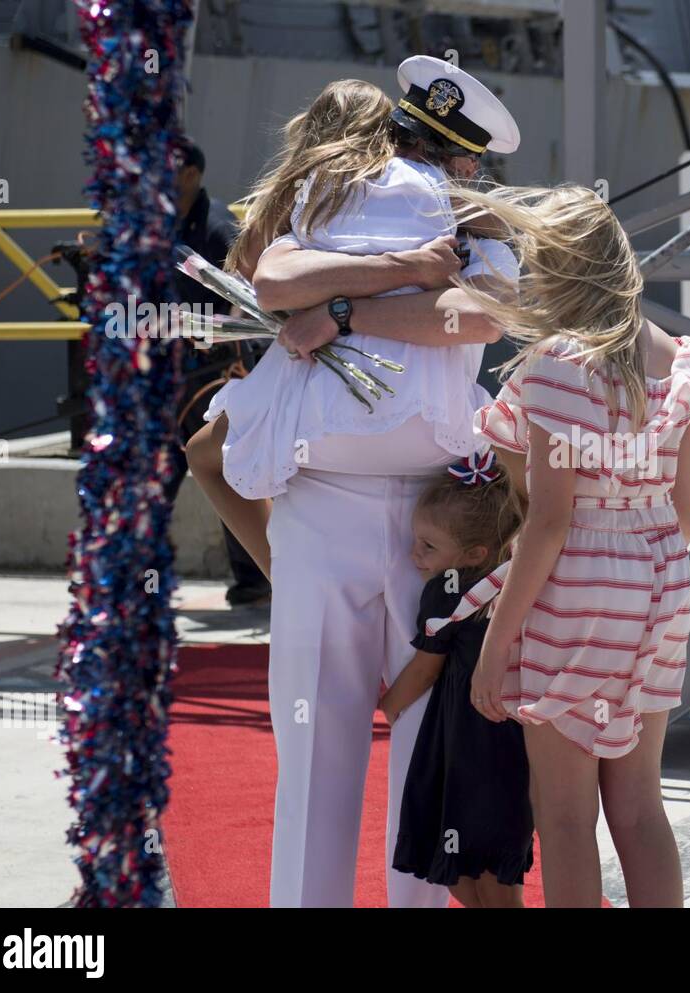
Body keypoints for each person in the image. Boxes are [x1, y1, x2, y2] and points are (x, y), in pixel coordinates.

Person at [186, 62, 521, 909]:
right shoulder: (458, 215)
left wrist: (341, 312)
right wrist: (406, 269)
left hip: (359, 506)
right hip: (419, 512)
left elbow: (481, 317)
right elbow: (274, 285)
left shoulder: (340, 198)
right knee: (419, 744)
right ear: (468, 158)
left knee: (316, 748)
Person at [440, 183, 690, 908]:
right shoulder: (681, 359)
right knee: (640, 804)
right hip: (661, 586)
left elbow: (549, 522)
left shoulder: (560, 365)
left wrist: (494, 651)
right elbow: (688, 515)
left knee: (564, 817)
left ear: (559, 273)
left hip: (577, 590)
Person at [382, 453, 533, 908]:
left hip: (473, 743)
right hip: (503, 738)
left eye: (427, 546)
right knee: (487, 872)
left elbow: (427, 666)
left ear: (472, 555)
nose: (414, 555)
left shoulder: (446, 591)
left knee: (476, 875)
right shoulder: (510, 580)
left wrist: (386, 705)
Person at [163, 136, 270, 606]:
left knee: (227, 468)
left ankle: (255, 577)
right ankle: (140, 573)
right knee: (164, 471)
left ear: (190, 174)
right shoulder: (165, 225)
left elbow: (244, 283)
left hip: (216, 370)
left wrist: (216, 332)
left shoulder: (215, 224)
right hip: (173, 369)